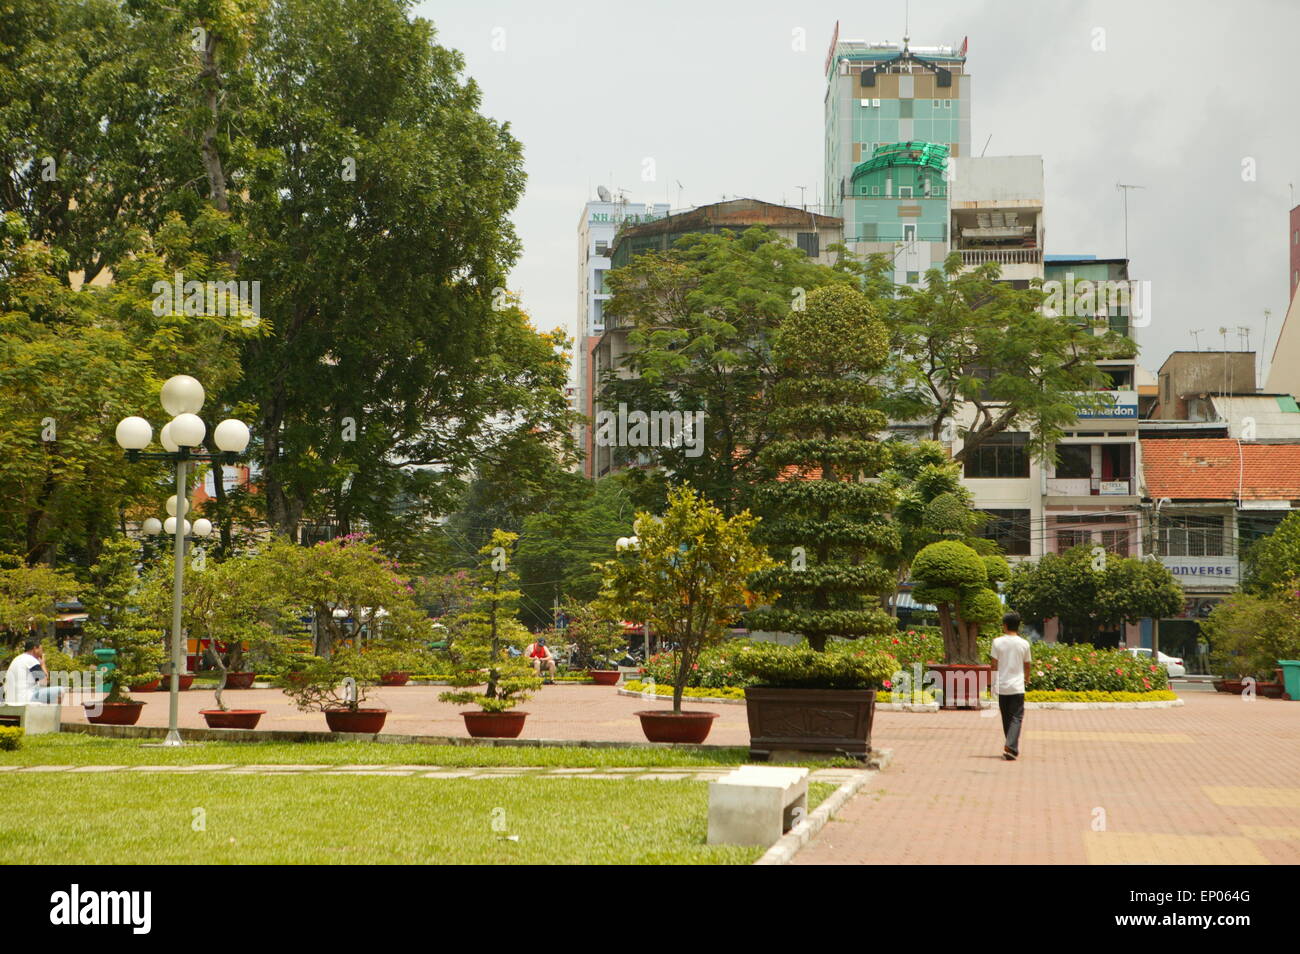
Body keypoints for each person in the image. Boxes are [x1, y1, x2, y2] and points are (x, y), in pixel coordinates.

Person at [989, 611, 1032, 761]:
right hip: (1017, 687)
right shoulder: (1024, 643)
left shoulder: (997, 642)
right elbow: (1027, 664)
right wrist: (1027, 678)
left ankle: (1010, 747)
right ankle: (1011, 746)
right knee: (1016, 718)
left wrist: (992, 683)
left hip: (1002, 686)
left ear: (1005, 625)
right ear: (1018, 626)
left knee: (1006, 717)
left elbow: (993, 665)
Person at [4, 639, 66, 706]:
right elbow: (44, 682)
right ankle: (52, 715)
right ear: (35, 649)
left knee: (40, 688)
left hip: (10, 699)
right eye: (41, 649)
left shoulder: (17, 658)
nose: (42, 652)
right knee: (60, 690)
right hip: (25, 698)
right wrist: (42, 664)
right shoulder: (31, 660)